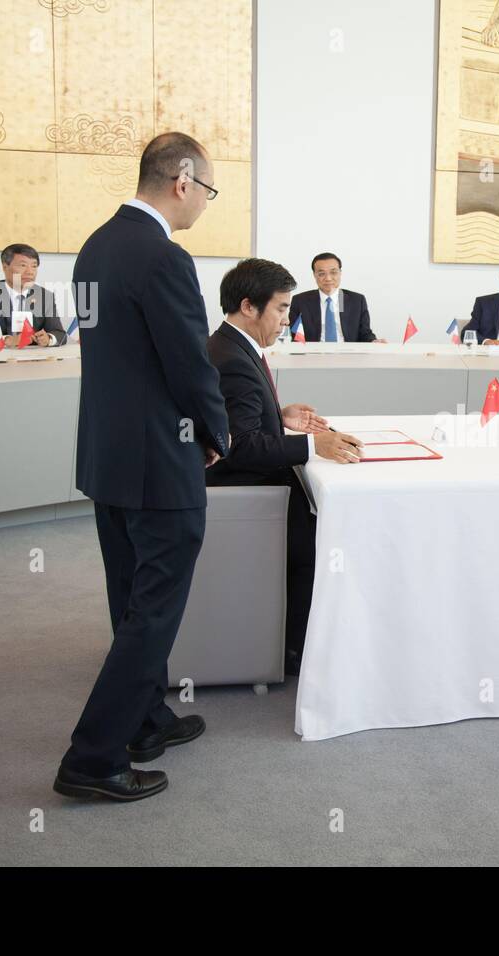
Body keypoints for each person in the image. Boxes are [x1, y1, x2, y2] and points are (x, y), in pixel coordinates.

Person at [54, 132, 231, 803]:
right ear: (183, 180)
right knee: (154, 610)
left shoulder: (95, 246)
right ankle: (93, 757)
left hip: (108, 454)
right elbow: (190, 363)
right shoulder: (163, 257)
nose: (205, 206)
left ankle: (145, 720)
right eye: (208, 192)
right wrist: (216, 431)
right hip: (160, 459)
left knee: (129, 596)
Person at [206, 258, 362, 675]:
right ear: (248, 306)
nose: (287, 321)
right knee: (322, 538)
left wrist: (281, 415)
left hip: (251, 481)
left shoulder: (233, 345)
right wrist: (315, 444)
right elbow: (240, 447)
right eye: (281, 309)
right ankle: (295, 650)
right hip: (243, 490)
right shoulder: (233, 358)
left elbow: (243, 420)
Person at [0, 244, 67, 348]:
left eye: (34, 266)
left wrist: (49, 339)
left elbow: (60, 334)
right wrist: (8, 340)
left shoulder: (45, 296)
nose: (30, 272)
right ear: (5, 267)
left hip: (35, 359)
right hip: (0, 359)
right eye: (23, 265)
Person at [287, 253, 380, 342]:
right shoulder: (300, 301)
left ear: (340, 273)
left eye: (333, 272)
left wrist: (373, 341)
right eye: (321, 273)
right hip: (314, 355)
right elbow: (296, 336)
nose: (328, 278)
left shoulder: (357, 300)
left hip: (348, 354)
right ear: (314, 275)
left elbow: (365, 333)